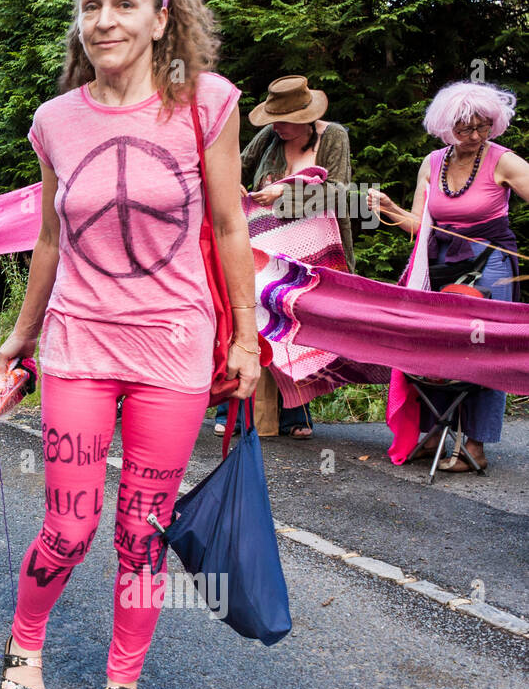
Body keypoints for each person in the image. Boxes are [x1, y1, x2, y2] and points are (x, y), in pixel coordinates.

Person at [0, 0, 259, 689]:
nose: (104, 20)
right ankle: (25, 645)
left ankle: (122, 684)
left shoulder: (207, 104)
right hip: (79, 341)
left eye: (123, 5)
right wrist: (18, 336)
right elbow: (47, 241)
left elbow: (228, 223)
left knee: (142, 533)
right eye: (90, 6)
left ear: (159, 18)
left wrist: (248, 334)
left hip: (174, 346)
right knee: (70, 525)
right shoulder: (55, 121)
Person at [368, 81, 529, 474]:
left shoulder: (503, 161)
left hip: (489, 264)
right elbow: (419, 225)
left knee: (485, 352)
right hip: (440, 263)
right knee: (437, 350)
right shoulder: (433, 163)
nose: (474, 136)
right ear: (445, 127)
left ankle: (475, 444)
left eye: (482, 127)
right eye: (464, 128)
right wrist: (390, 208)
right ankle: (437, 435)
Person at [215, 75, 354, 438]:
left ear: (307, 117)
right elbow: (234, 167)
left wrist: (285, 195)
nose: (278, 128)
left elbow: (339, 193)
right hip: (265, 247)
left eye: (285, 122)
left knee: (299, 323)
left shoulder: (334, 136)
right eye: (273, 121)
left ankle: (296, 413)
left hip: (315, 251)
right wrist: (235, 187)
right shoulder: (269, 137)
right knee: (256, 319)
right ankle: (234, 407)